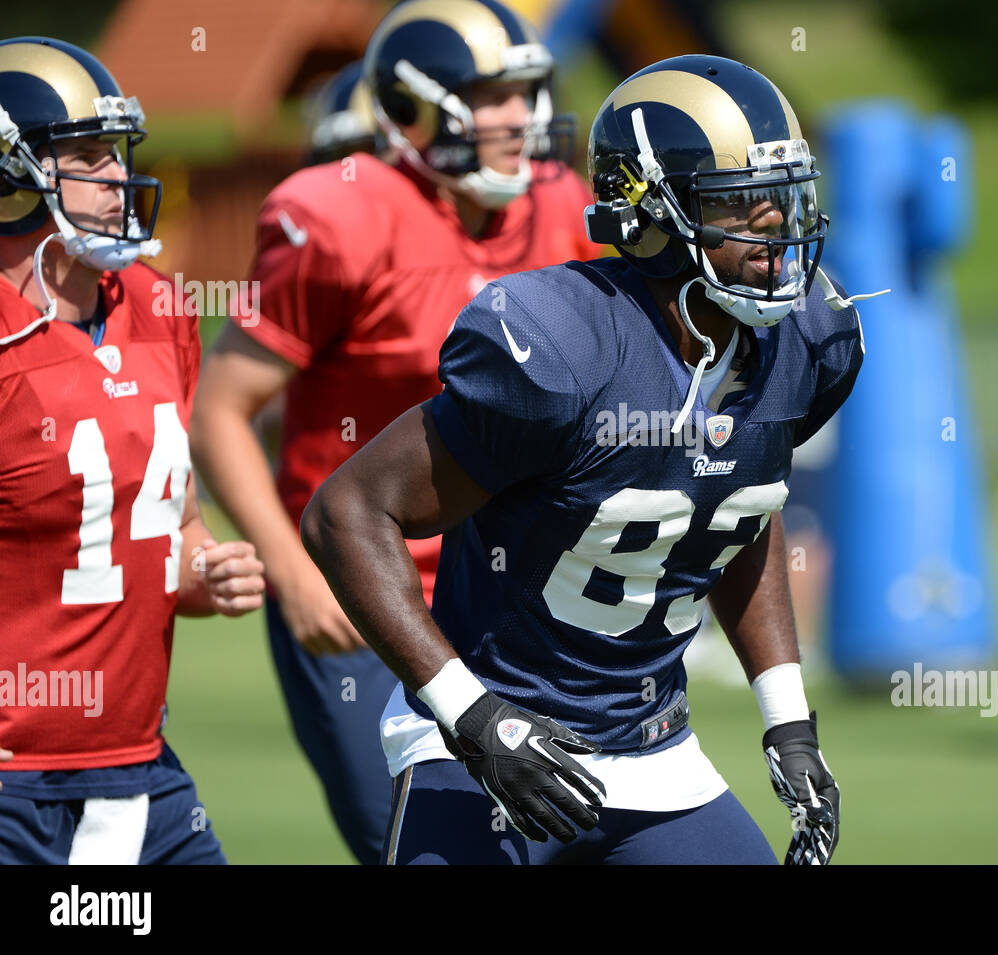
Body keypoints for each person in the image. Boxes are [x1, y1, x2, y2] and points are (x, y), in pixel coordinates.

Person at [301, 54, 889, 865]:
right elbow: (347, 511)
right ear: (652, 212)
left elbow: (739, 503)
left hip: (655, 754)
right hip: (490, 739)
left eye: (782, 195)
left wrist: (787, 719)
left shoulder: (808, 341)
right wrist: (473, 716)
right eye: (737, 202)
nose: (774, 228)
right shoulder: (563, 345)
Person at [188, 0, 604, 865]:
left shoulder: (562, 205)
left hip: (520, 598)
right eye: (491, 97)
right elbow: (221, 407)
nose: (519, 119)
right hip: (368, 594)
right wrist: (291, 568)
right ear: (413, 108)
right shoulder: (343, 217)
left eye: (525, 94)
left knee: (568, 842)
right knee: (421, 846)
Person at [0, 36, 265, 864]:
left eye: (117, 154)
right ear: (12, 177)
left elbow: (167, 530)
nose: (118, 178)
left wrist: (203, 568)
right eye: (86, 157)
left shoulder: (158, 307)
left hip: (139, 767)